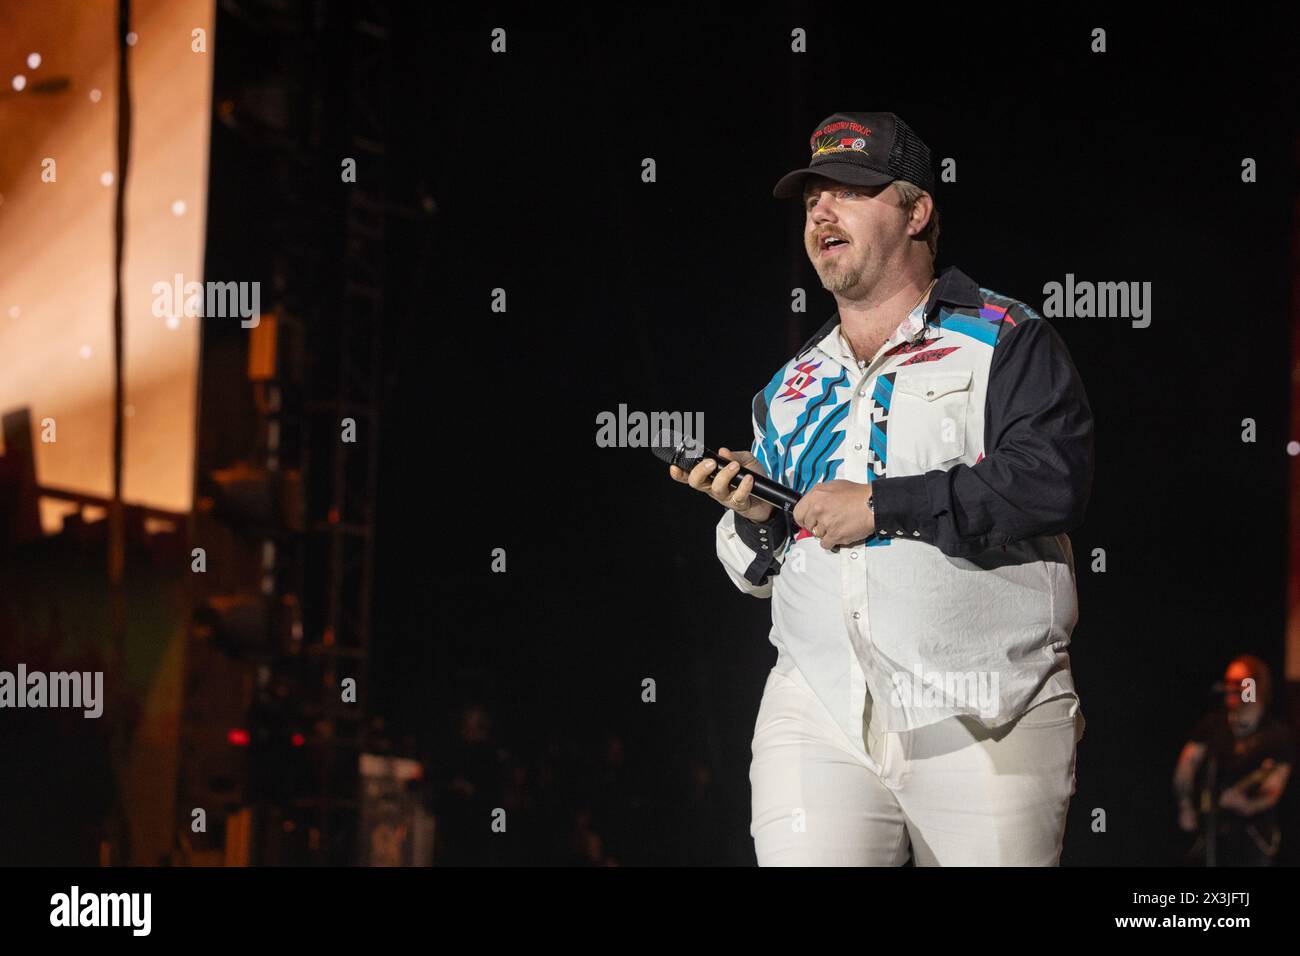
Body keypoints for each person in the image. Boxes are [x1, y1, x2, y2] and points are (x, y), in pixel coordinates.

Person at [668, 111, 1094, 865]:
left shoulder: (1004, 337)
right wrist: (756, 516)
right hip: (820, 704)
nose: (821, 212)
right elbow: (756, 565)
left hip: (981, 707)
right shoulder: (791, 385)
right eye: (810, 201)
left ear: (917, 208)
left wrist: (881, 505)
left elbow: (1050, 480)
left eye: (847, 192)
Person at [1173, 655, 1294, 865]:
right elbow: (1186, 765)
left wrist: (1246, 804)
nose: (1231, 688)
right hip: (1211, 833)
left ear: (1257, 688)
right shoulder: (1214, 725)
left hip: (1252, 838)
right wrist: (1186, 806)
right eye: (1228, 682)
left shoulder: (1277, 736)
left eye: (1239, 683)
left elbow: (1272, 790)